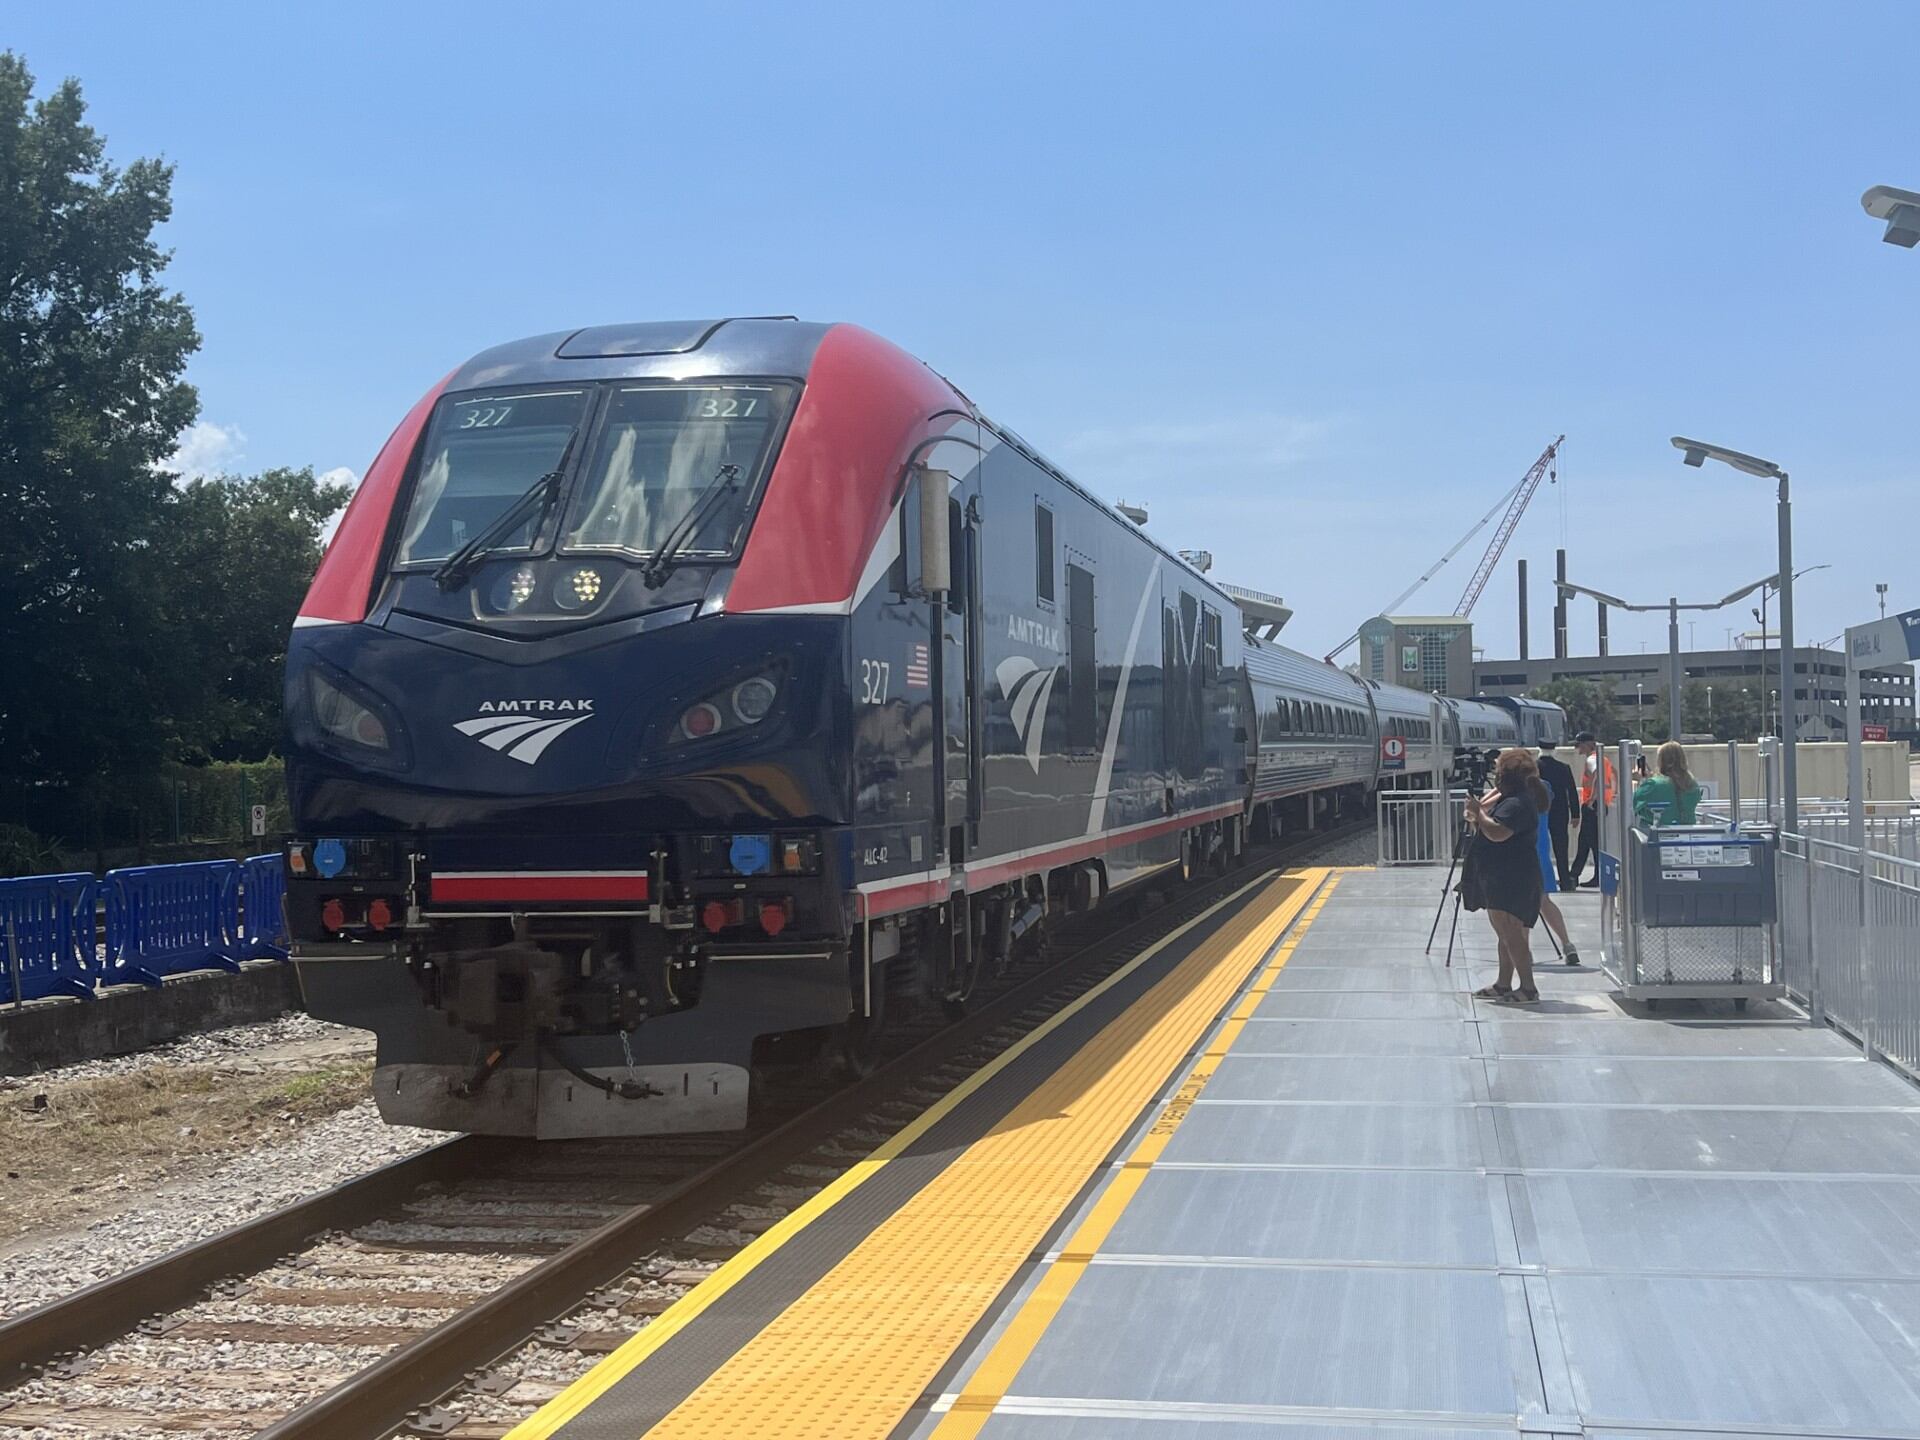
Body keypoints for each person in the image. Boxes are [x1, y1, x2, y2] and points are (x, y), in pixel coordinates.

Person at [1465, 748, 1549, 1003]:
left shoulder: (1516, 803)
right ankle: (1504, 983)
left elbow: (1498, 832)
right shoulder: (1515, 799)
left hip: (1512, 878)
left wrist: (1478, 812)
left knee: (1512, 933)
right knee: (1505, 934)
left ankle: (1527, 987)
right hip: (1505, 876)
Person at [1532, 753, 1581, 965]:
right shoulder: (1545, 788)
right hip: (1541, 853)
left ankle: (1523, 953)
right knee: (1544, 902)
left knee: (1516, 909)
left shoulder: (1515, 792)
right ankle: (1567, 944)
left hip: (1523, 855)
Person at [1567, 732, 1615, 888]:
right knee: (1585, 842)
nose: (1577, 748)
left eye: (1579, 744)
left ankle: (1597, 876)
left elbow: (1598, 775)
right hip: (1601, 804)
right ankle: (1573, 874)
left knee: (1593, 842)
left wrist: (1592, 798)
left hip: (1592, 805)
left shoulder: (1592, 759)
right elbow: (1612, 777)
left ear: (1587, 744)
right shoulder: (1604, 760)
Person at [1634, 739, 1702, 827]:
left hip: (1660, 836)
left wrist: (1640, 781)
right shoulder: (1693, 784)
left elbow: (1635, 805)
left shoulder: (1652, 785)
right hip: (1688, 834)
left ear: (1661, 761)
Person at [1536, 746, 1577, 889]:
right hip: (1560, 813)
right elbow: (1571, 791)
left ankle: (1540, 880)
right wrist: (1576, 814)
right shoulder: (1563, 768)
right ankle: (1565, 880)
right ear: (1554, 751)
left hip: (1539, 811)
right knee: (1561, 848)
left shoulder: (1534, 767)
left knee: (1539, 847)